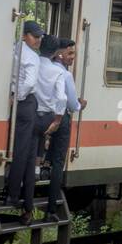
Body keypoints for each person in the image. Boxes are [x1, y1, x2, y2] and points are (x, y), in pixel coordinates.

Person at [43, 37, 87, 218]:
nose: (73, 57)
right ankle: (52, 208)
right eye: (70, 53)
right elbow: (70, 103)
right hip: (60, 120)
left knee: (40, 157)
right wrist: (80, 105)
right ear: (59, 54)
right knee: (58, 162)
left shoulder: (43, 67)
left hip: (42, 116)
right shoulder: (65, 75)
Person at [5, 20, 43, 219]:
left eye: (39, 37)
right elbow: (29, 83)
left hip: (14, 100)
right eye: (34, 36)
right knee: (24, 150)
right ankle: (13, 195)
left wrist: (12, 97)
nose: (38, 40)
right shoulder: (33, 57)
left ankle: (16, 194)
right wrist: (18, 98)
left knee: (18, 147)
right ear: (24, 35)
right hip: (26, 103)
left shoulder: (13, 49)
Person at [32, 35, 67, 218]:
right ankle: (51, 208)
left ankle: (36, 171)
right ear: (55, 53)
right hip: (48, 116)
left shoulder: (32, 63)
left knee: (32, 146)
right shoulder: (58, 71)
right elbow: (61, 98)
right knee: (56, 157)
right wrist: (58, 120)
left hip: (31, 113)